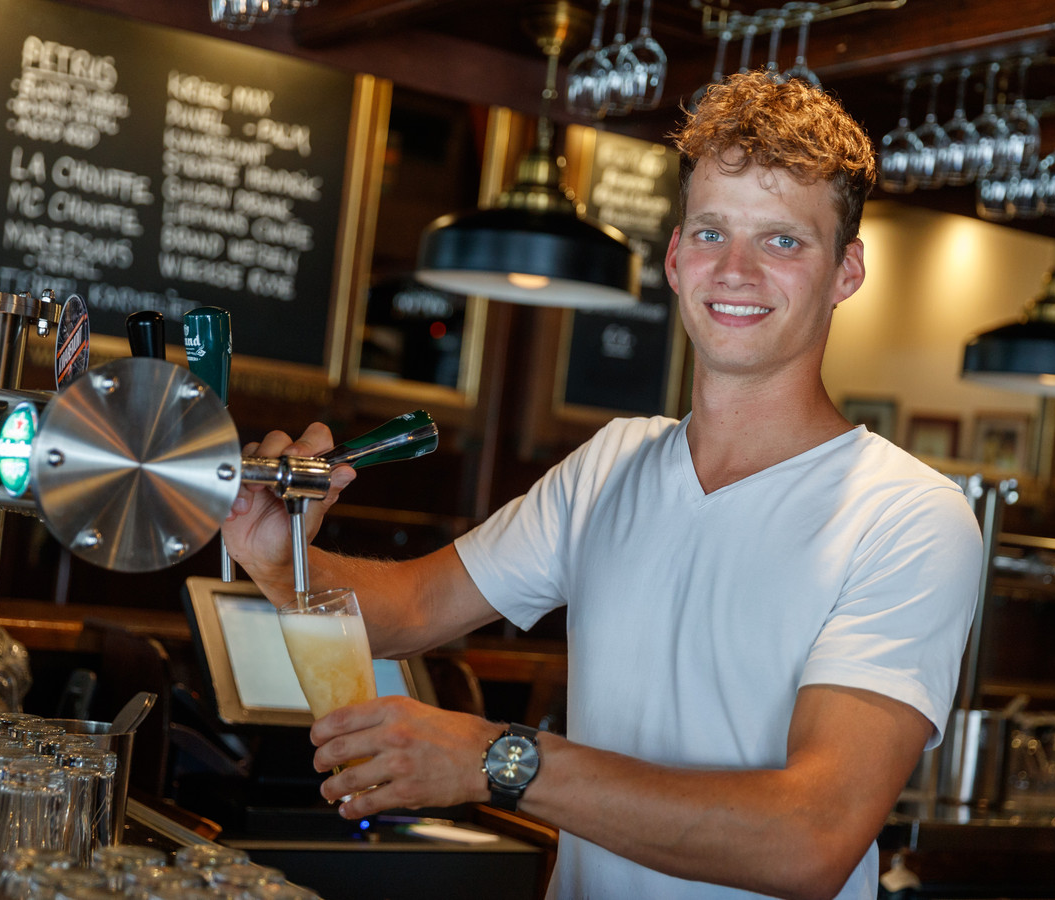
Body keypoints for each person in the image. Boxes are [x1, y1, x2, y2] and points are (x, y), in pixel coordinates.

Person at [222, 71, 983, 900]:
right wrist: (280, 558)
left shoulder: (911, 516)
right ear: (674, 257)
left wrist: (494, 760)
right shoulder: (613, 462)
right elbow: (409, 611)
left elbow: (808, 838)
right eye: (710, 232)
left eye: (783, 242)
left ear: (846, 271)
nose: (735, 270)